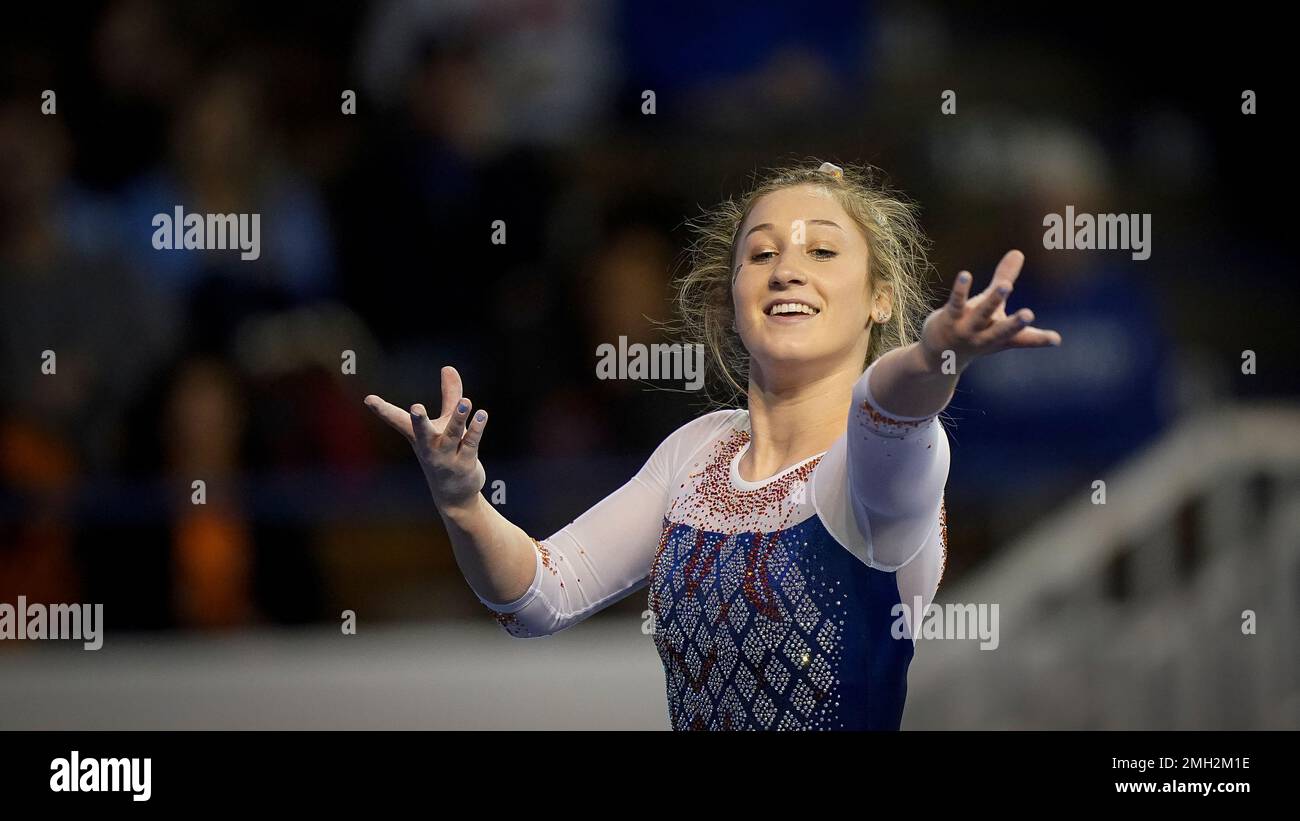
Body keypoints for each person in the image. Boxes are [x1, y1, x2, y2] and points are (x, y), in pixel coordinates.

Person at [364, 161, 1062, 730]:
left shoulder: (876, 465)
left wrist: (938, 354)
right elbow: (538, 596)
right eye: (761, 254)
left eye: (822, 249)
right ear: (731, 297)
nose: (787, 270)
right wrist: (462, 503)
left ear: (880, 298)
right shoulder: (695, 453)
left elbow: (890, 410)